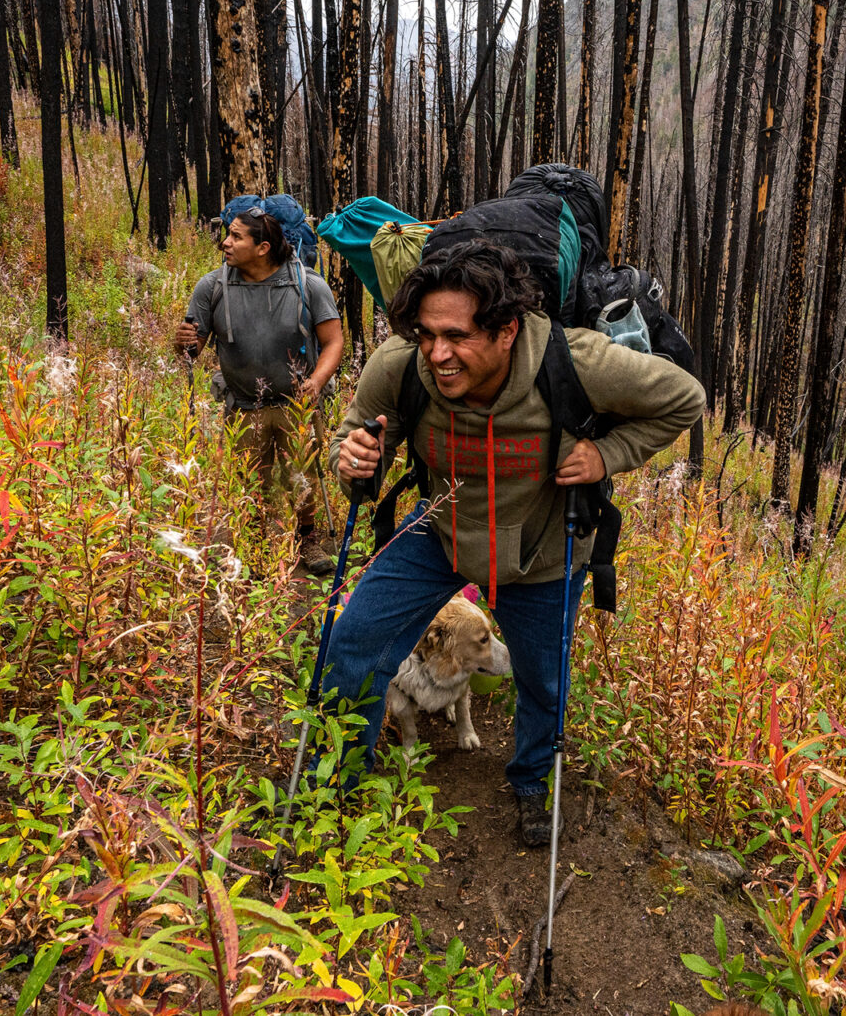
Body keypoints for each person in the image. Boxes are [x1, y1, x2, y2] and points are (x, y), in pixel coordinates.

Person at [326, 241, 704, 845]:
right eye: (426, 334)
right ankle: (343, 776)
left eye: (456, 336)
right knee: (352, 640)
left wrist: (607, 454)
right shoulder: (400, 364)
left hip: (543, 549)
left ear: (507, 330)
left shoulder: (577, 362)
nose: (438, 354)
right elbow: (356, 442)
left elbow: (685, 398)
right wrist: (353, 459)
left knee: (542, 682)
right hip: (440, 529)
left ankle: (531, 782)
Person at [174, 199, 345, 574]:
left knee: (302, 476)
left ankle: (307, 541)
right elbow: (194, 349)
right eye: (228, 236)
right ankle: (256, 546)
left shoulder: (307, 285)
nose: (226, 243)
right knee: (251, 480)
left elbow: (334, 341)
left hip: (296, 403)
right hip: (243, 404)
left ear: (263, 247)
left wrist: (316, 382)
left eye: (236, 237)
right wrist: (184, 341)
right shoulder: (212, 287)